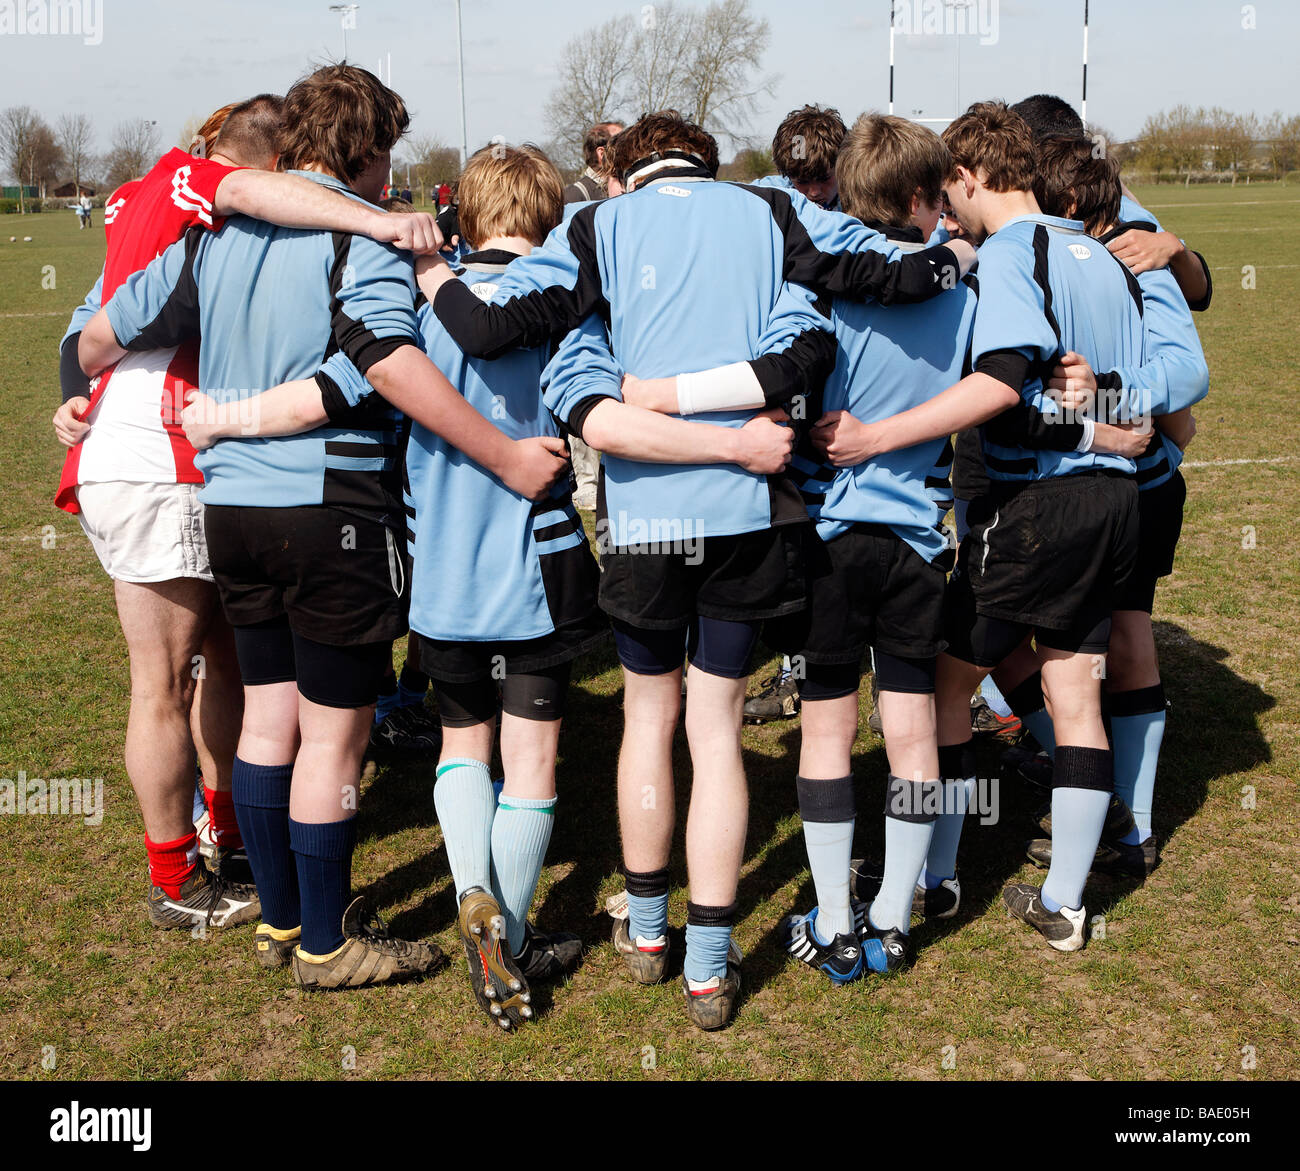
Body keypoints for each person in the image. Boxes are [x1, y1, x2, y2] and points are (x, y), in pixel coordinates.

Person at [78, 64, 563, 989]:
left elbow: (105, 332)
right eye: (389, 158)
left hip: (232, 509)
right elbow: (384, 363)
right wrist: (503, 456)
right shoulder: (363, 233)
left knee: (267, 718)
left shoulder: (214, 232)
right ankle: (328, 942)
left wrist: (79, 393)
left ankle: (282, 919)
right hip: (330, 508)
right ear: (370, 153)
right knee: (333, 737)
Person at [52, 92, 444, 935]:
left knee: (242, 685)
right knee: (223, 694)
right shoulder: (217, 192)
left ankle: (256, 879)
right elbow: (367, 361)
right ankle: (246, 902)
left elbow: (89, 330)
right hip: (242, 476)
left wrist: (82, 392)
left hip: (214, 481)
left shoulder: (182, 223)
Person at [827, 101, 1145, 952]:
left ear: (968, 177)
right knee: (1075, 692)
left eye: (949, 196)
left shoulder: (1008, 256)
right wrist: (1100, 418)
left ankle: (937, 872)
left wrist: (1072, 422)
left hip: (1037, 507)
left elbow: (1006, 404)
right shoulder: (1108, 260)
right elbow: (1136, 409)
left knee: (943, 689)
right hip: (1117, 504)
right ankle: (1067, 903)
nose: (947, 217)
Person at [999, 135, 1209, 880]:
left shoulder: (1125, 240)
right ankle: (1085, 781)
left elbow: (1187, 373)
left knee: (1117, 639)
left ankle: (1129, 820)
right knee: (1010, 639)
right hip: (1052, 481)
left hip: (1133, 486)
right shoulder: (1015, 238)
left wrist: (1108, 396)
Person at [750, 104, 847, 211]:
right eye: (802, 181)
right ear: (788, 175)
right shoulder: (770, 192)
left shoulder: (858, 199)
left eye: (824, 179)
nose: (814, 193)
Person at [563, 121, 623, 204]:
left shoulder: (628, 187)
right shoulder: (573, 197)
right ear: (602, 154)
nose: (629, 149)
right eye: (622, 144)